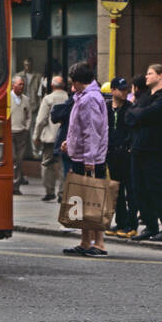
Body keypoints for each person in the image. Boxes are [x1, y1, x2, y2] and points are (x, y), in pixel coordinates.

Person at [62, 61, 109, 257]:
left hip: (89, 158)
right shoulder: (82, 96)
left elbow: (92, 131)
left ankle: (99, 243)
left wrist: (90, 157)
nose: (72, 85)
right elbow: (79, 128)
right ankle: (85, 241)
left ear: (79, 81)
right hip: (81, 155)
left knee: (93, 201)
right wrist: (69, 142)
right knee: (82, 201)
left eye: (73, 81)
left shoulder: (90, 99)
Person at [127, 64, 162, 242]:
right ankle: (150, 225)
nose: (146, 76)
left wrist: (138, 114)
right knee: (139, 189)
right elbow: (130, 115)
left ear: (161, 75)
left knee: (157, 189)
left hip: (156, 150)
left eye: (150, 73)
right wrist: (138, 114)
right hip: (138, 148)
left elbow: (145, 114)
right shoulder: (146, 96)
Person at [105, 78, 136, 236]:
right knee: (116, 189)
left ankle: (131, 224)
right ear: (112, 90)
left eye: (126, 89)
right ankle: (120, 222)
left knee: (130, 189)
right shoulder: (106, 107)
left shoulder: (130, 108)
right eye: (121, 89)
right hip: (111, 152)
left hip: (126, 152)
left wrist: (130, 146)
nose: (125, 92)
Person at [34, 75, 68, 201]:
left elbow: (41, 120)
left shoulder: (48, 98)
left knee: (47, 164)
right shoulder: (68, 98)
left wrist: (36, 135)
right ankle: (62, 193)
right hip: (64, 138)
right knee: (62, 166)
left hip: (49, 137)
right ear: (63, 85)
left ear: (52, 86)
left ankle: (50, 191)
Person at [10, 75, 33, 194]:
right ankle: (11, 184)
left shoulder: (26, 99)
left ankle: (16, 186)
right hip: (10, 132)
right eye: (19, 84)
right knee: (13, 158)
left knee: (19, 160)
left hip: (21, 133)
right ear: (13, 85)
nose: (21, 86)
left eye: (23, 84)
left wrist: (27, 128)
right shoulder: (7, 98)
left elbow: (29, 116)